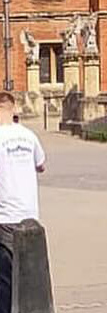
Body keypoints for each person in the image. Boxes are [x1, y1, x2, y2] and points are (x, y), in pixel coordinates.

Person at [0, 92, 46, 313]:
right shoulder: (29, 136)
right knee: (29, 273)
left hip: (5, 215)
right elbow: (41, 164)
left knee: (5, 278)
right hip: (30, 215)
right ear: (13, 108)